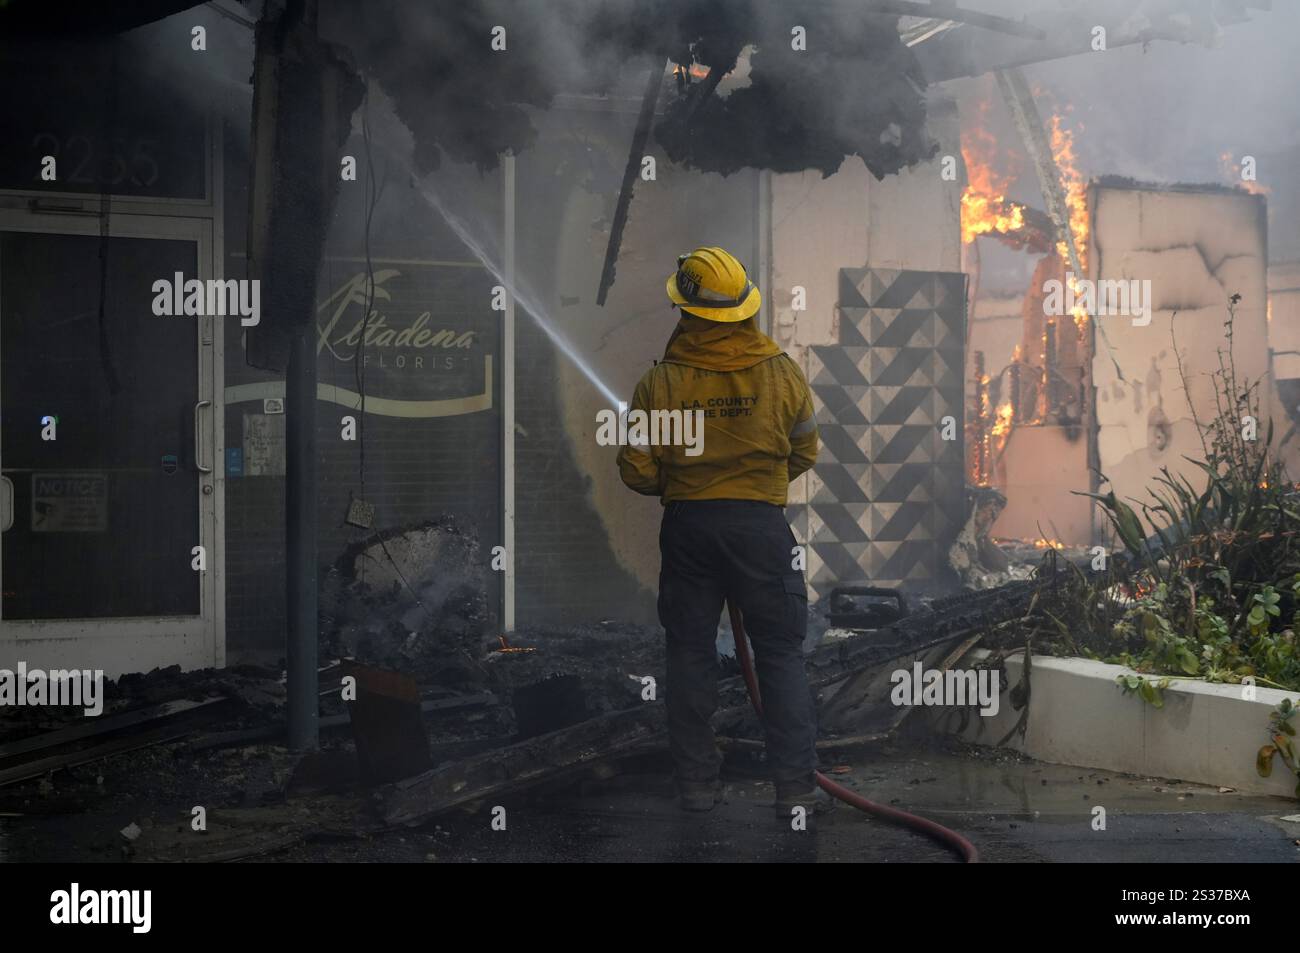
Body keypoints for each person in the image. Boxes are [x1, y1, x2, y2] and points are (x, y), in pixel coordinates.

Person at [617, 245, 828, 818]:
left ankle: (697, 788)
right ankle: (796, 790)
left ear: (685, 312)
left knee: (688, 653)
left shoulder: (660, 383)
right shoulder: (782, 372)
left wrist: (687, 485)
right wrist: (756, 485)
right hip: (761, 528)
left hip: (690, 528)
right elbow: (806, 449)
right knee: (780, 654)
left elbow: (635, 469)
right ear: (744, 310)